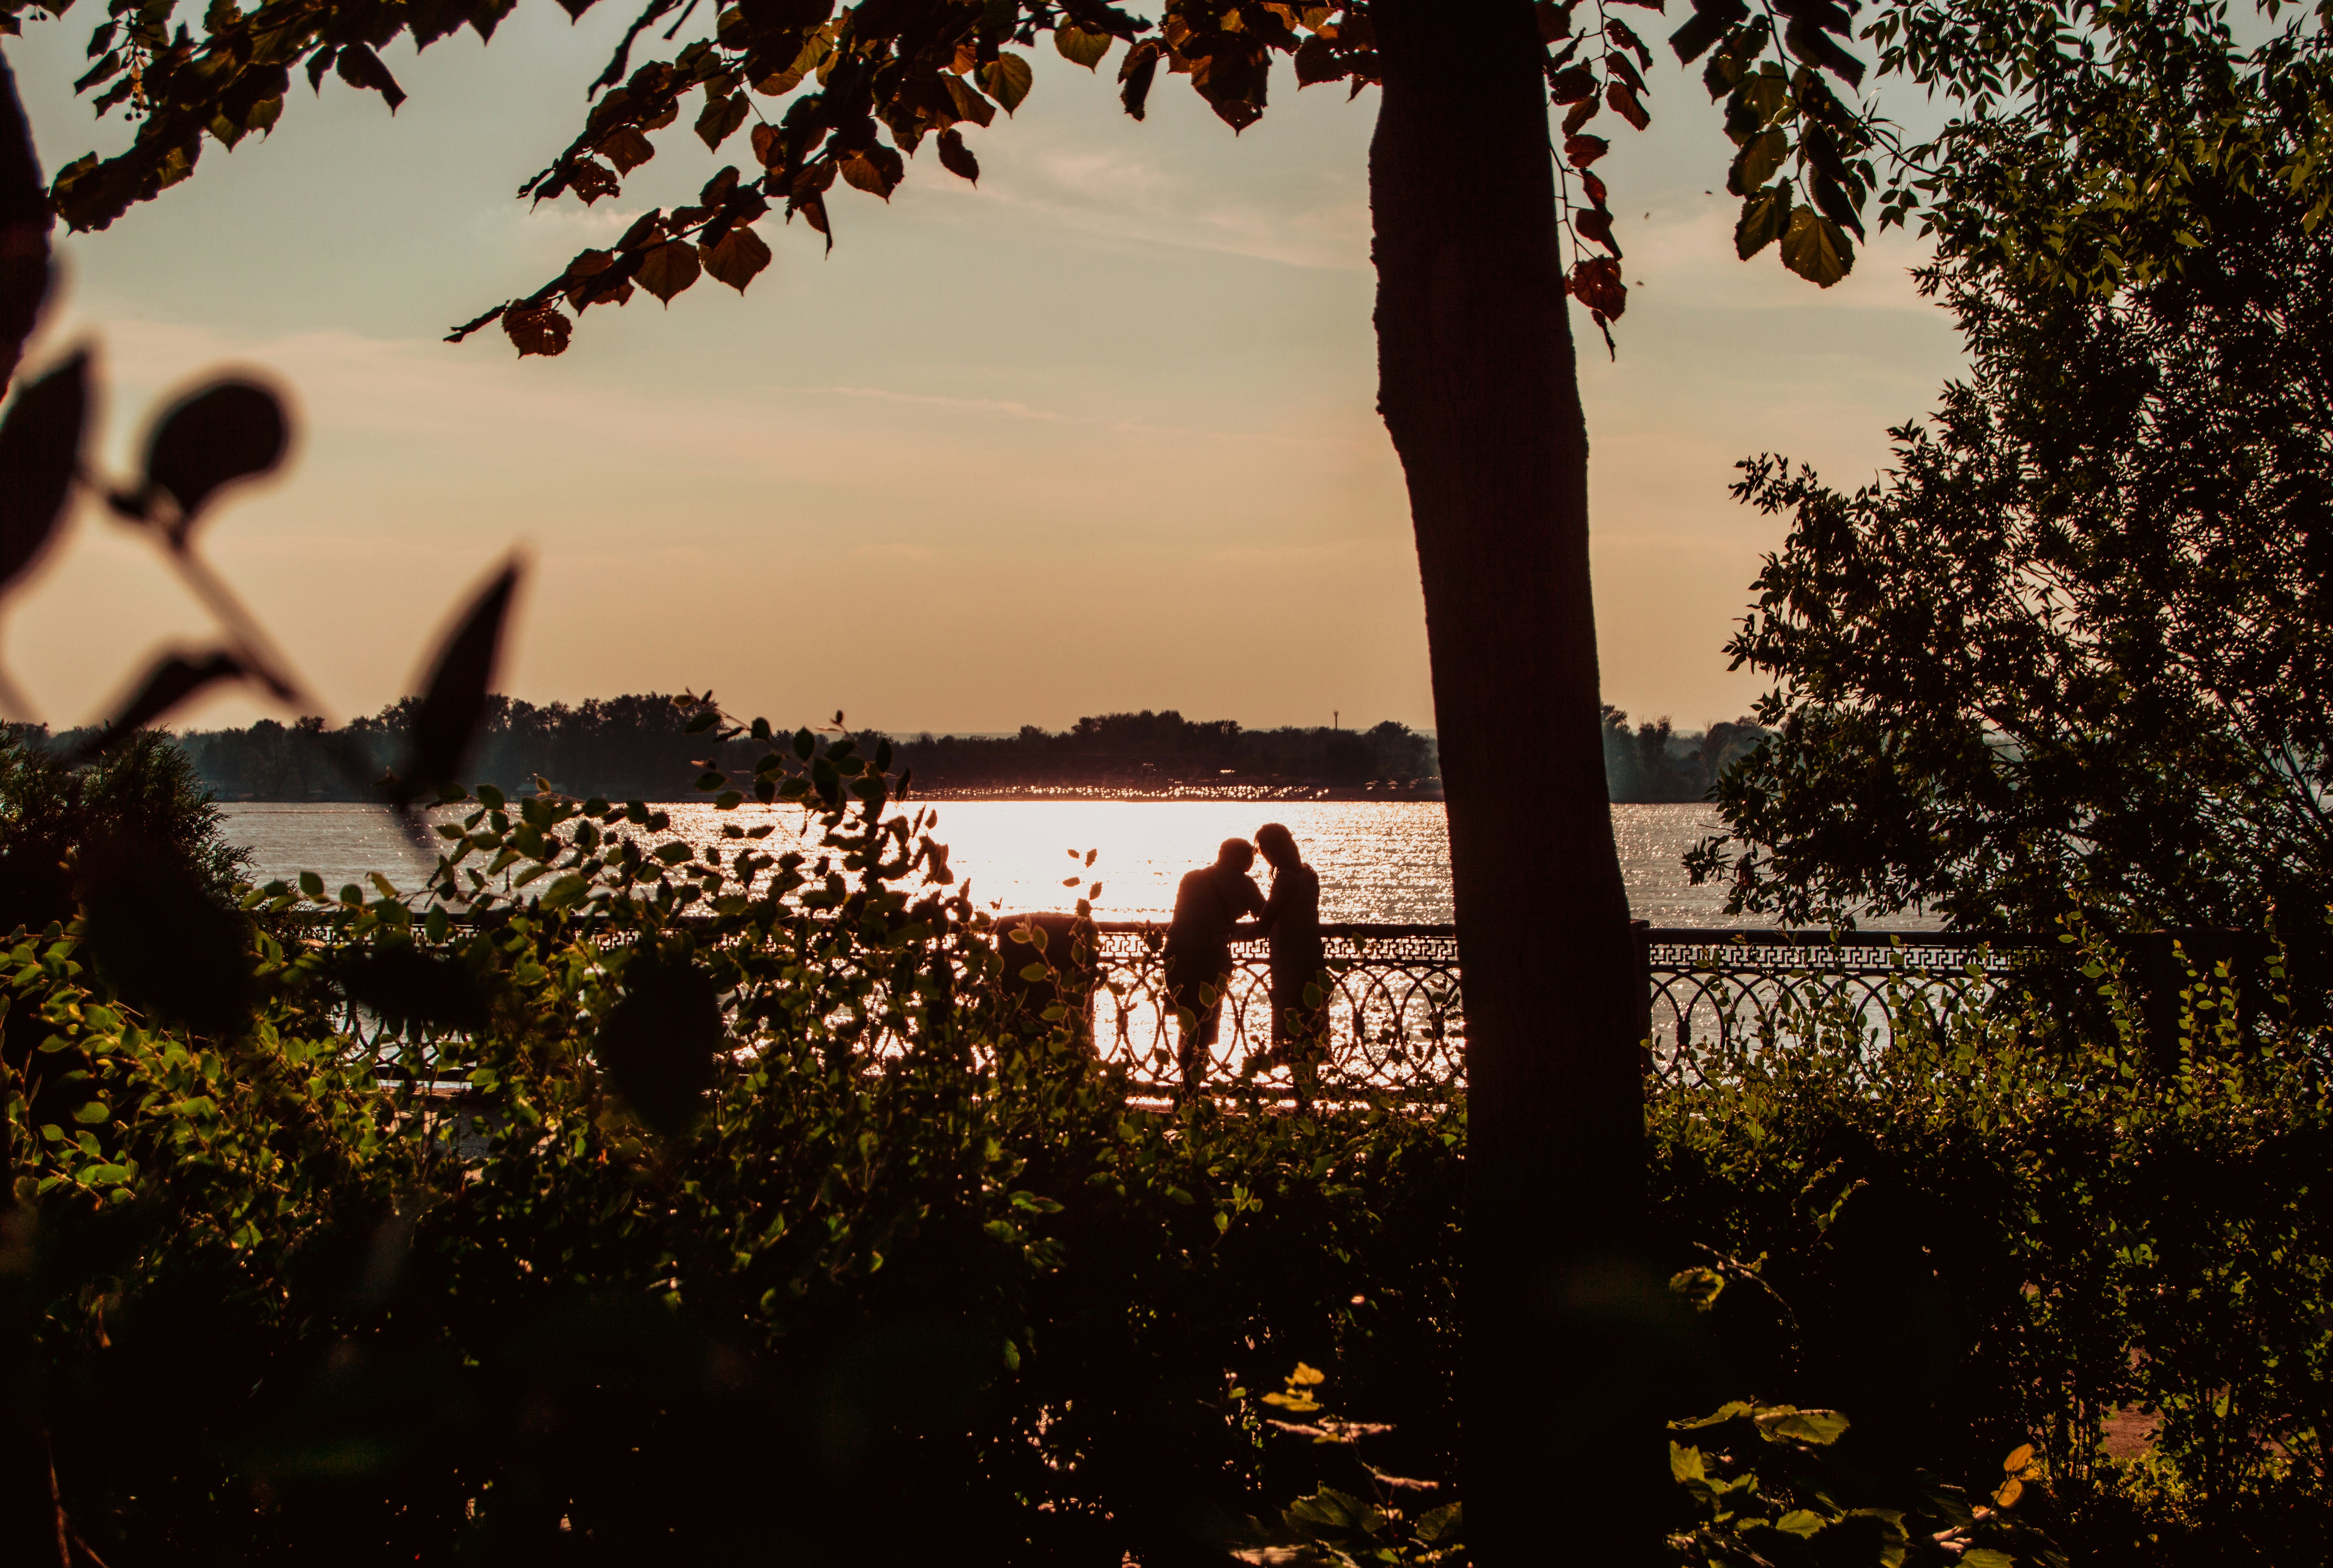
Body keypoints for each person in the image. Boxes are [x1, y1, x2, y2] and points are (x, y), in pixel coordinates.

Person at [1161, 837, 1266, 1096]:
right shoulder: (1244, 883)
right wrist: (1233, 931)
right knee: (1205, 1023)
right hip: (1210, 959)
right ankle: (1193, 1086)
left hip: (1176, 956)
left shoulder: (1192, 878)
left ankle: (1187, 1084)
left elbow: (1183, 918)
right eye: (1252, 855)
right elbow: (1266, 917)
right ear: (1243, 859)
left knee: (1187, 1021)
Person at [1252, 822, 1329, 1109]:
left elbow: (1265, 924)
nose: (1263, 856)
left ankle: (1302, 1101)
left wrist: (1226, 936)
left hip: (1291, 964)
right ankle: (1307, 1096)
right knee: (1309, 1029)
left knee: (1294, 1030)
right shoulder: (1308, 874)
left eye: (1263, 849)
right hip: (1312, 959)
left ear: (1274, 849)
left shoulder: (1285, 879)